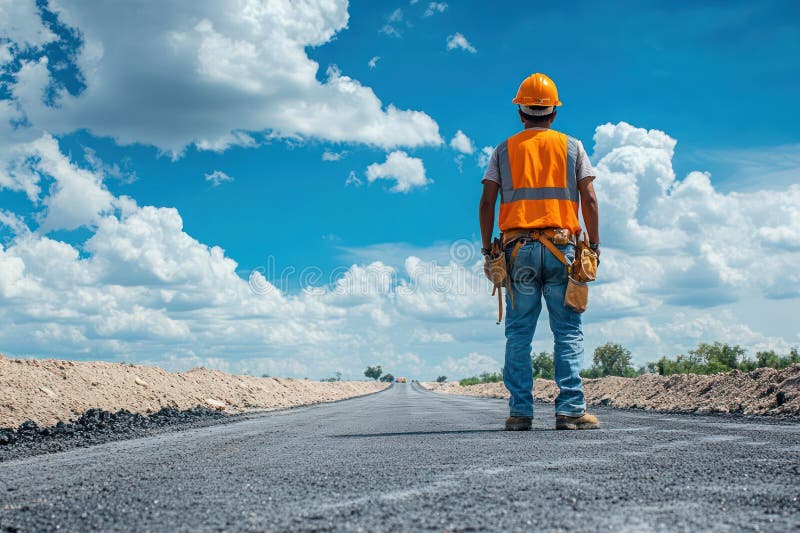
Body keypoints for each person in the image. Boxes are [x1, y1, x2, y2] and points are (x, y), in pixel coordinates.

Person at [478, 72, 601, 431]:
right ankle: (570, 410)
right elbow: (589, 199)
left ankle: (520, 412)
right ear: (553, 113)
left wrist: (488, 249)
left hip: (518, 252)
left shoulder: (503, 150)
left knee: (519, 333)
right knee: (567, 332)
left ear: (521, 112)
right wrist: (593, 245)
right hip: (562, 248)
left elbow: (487, 201)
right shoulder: (573, 147)